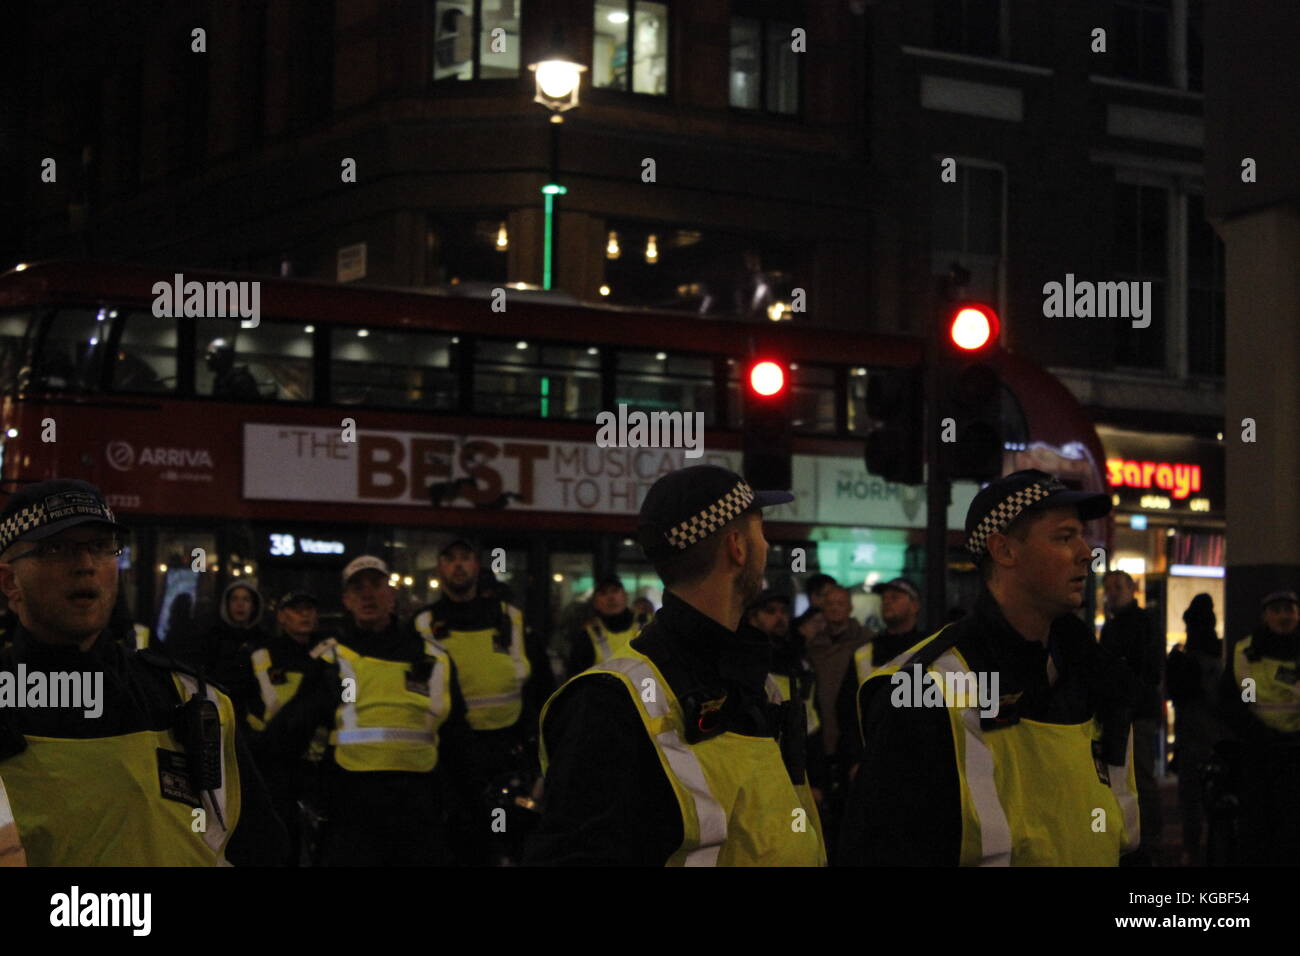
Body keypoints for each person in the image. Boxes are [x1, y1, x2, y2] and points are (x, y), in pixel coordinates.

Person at [526, 465, 825, 866]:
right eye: (761, 533)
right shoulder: (607, 703)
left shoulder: (757, 679)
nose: (766, 546)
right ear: (737, 547)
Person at [839, 469, 1140, 866]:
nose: (1086, 552)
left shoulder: (1095, 673)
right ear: (1004, 551)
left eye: (1081, 536)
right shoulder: (924, 687)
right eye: (1064, 537)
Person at [0, 479, 286, 865]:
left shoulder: (190, 699)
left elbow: (260, 848)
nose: (85, 565)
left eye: (100, 547)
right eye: (56, 549)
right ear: (9, 581)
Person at [262, 555, 469, 866]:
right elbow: (287, 734)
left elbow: (458, 741)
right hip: (353, 808)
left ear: (392, 593)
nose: (367, 595)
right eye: (357, 589)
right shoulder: (333, 658)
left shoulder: (432, 657)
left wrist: (462, 808)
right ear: (346, 600)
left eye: (375, 585)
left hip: (418, 809)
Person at [411, 540, 537, 865]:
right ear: (439, 568)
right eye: (450, 559)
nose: (458, 566)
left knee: (505, 836)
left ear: (477, 565)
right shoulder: (423, 623)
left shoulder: (508, 617)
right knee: (461, 837)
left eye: (465, 558)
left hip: (505, 748)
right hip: (451, 751)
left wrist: (535, 751)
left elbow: (536, 684)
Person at [245, 590, 333, 865]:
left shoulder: (332, 655)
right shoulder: (262, 655)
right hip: (276, 765)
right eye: (296, 610)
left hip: (320, 767)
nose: (305, 615)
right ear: (281, 617)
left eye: (310, 609)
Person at [1217, 589, 1300, 865]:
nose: (1284, 617)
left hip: (1293, 755)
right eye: (1277, 611)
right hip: (1259, 754)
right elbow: (1231, 701)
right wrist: (1257, 733)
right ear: (1265, 616)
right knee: (1260, 829)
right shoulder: (1245, 652)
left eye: (1289, 610)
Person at [1100, 569, 1165, 864]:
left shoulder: (1138, 624)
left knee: (1138, 774)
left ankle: (1148, 837)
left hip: (1135, 711)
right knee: (1129, 776)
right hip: (1125, 710)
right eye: (1109, 587)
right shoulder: (1117, 625)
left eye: (1117, 587)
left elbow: (1148, 668)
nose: (1112, 592)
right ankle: (1140, 837)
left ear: (1131, 589)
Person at [837, 577, 925, 784]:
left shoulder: (930, 650)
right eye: (884, 598)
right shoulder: (865, 653)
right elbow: (848, 710)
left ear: (915, 605)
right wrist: (856, 759)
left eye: (895, 597)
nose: (887, 601)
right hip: (873, 760)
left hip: (919, 761)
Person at [746, 590, 826, 804]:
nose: (780, 617)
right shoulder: (745, 662)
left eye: (783, 611)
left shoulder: (798, 661)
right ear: (753, 617)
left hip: (797, 772)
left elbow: (811, 721)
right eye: (770, 611)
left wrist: (817, 780)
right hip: (760, 773)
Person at [1165, 593, 1226, 865]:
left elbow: (1173, 696)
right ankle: (1215, 851)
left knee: (1190, 802)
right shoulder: (1221, 660)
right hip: (1215, 740)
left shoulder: (1182, 660)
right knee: (1216, 801)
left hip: (1189, 739)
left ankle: (1190, 851)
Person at [171, 581, 267, 724]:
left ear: (254, 606)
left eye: (246, 599)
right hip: (218, 713)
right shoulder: (212, 638)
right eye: (234, 599)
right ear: (226, 604)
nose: (240, 604)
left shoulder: (263, 641)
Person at [565, 575, 645, 677]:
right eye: (603, 593)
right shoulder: (587, 636)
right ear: (595, 602)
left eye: (615, 591)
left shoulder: (647, 625)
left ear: (625, 596)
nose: (611, 597)